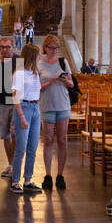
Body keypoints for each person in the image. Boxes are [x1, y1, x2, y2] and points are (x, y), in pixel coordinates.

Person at [37, 34, 74, 192]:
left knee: (62, 140)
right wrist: (50, 81)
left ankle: (60, 175)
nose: (54, 50)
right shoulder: (39, 64)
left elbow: (72, 84)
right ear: (45, 48)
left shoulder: (63, 62)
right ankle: (47, 175)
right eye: (51, 47)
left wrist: (65, 80)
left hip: (63, 104)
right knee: (48, 140)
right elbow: (36, 87)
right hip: (47, 105)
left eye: (56, 47)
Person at [9, 43, 43, 194]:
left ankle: (28, 179)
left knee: (33, 147)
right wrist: (22, 116)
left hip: (35, 108)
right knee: (21, 147)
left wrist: (39, 115)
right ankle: (15, 181)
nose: (40, 58)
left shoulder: (35, 74)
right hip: (23, 108)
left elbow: (37, 93)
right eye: (37, 56)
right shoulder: (19, 73)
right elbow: (15, 96)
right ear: (31, 57)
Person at [0, 37, 18, 179]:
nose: (5, 50)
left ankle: (15, 166)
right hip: (1, 103)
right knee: (5, 134)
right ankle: (10, 163)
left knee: (15, 134)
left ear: (13, 47)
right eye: (2, 47)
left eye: (7, 47)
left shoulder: (19, 61)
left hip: (16, 103)